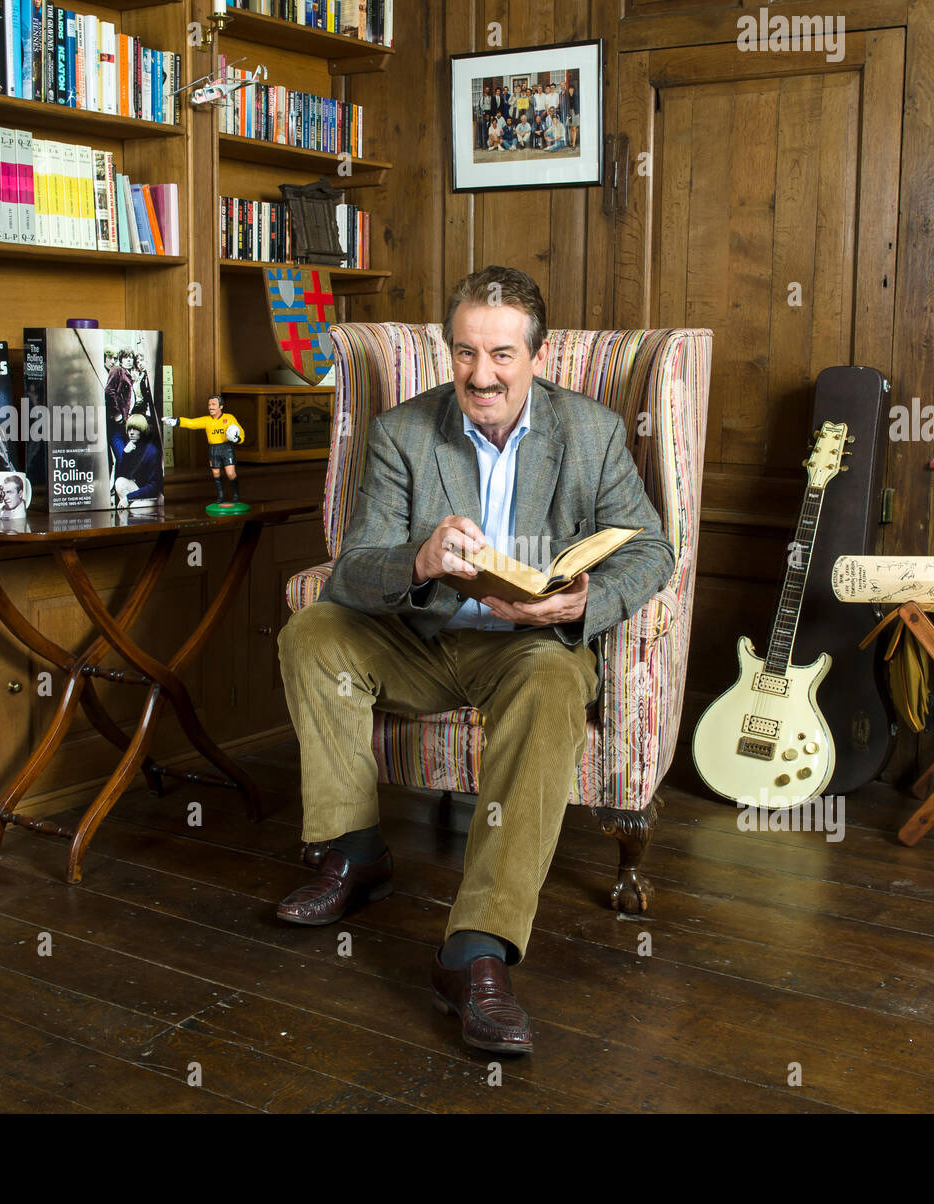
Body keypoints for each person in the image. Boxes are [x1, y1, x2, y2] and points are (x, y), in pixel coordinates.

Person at [275, 266, 673, 1055]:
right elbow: (353, 568)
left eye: (500, 355)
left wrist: (581, 603)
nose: (480, 376)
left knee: (556, 679)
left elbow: (654, 548)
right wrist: (419, 561)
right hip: (423, 640)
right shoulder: (403, 432)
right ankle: (354, 854)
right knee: (311, 634)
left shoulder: (590, 432)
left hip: (528, 648)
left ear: (537, 353)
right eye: (463, 354)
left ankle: (476, 948)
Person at [164, 395, 245, 507]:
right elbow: (192, 423)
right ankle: (221, 496)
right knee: (216, 473)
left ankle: (236, 494)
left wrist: (239, 439)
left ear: (221, 406)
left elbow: (240, 431)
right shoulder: (207, 420)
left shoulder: (229, 418)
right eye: (209, 405)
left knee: (230, 472)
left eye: (213, 404)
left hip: (226, 448)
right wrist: (177, 421)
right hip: (214, 449)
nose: (210, 407)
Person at [113, 414, 163, 507]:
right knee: (119, 482)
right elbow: (123, 474)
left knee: (134, 507)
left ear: (142, 430)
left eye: (135, 429)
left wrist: (129, 498)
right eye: (129, 429)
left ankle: (133, 510)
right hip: (141, 490)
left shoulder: (152, 451)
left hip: (154, 496)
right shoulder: (131, 446)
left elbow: (155, 486)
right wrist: (126, 454)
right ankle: (132, 510)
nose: (131, 432)